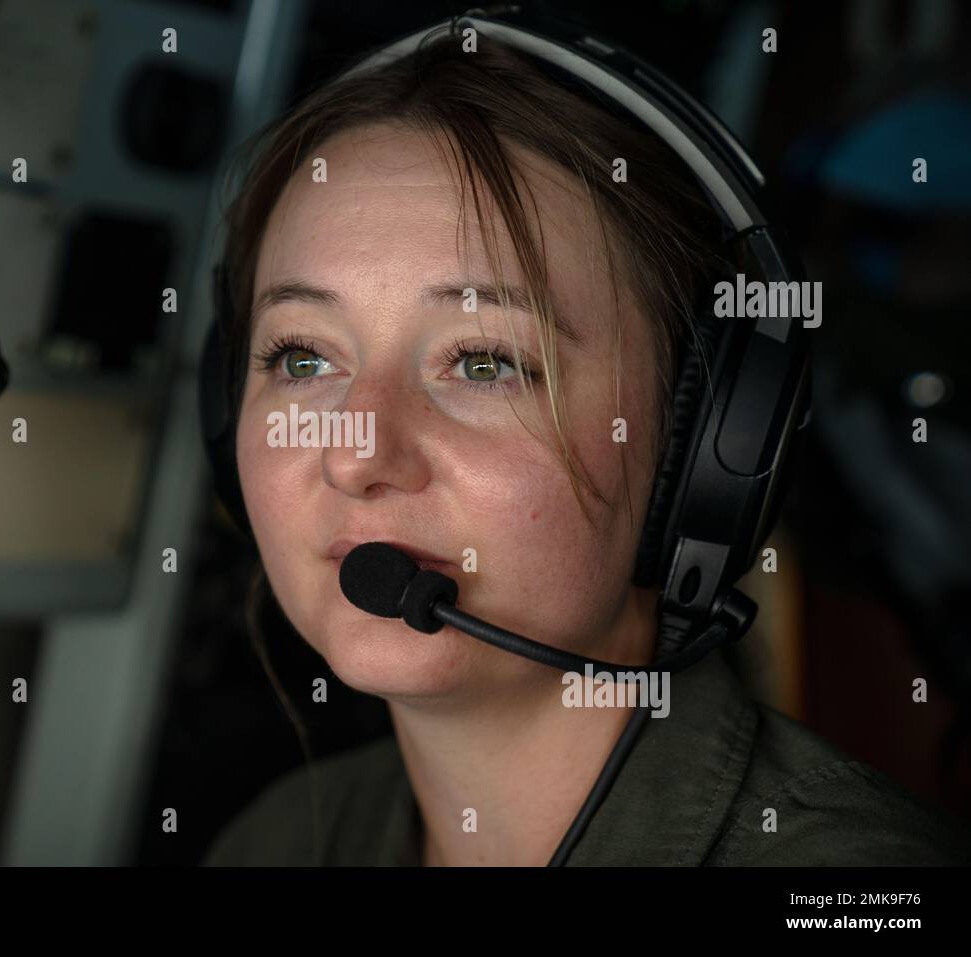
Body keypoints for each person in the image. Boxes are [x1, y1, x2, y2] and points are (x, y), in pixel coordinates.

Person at [199, 21, 971, 866]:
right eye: (302, 356)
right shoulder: (276, 840)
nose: (355, 454)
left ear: (706, 443)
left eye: (485, 361)